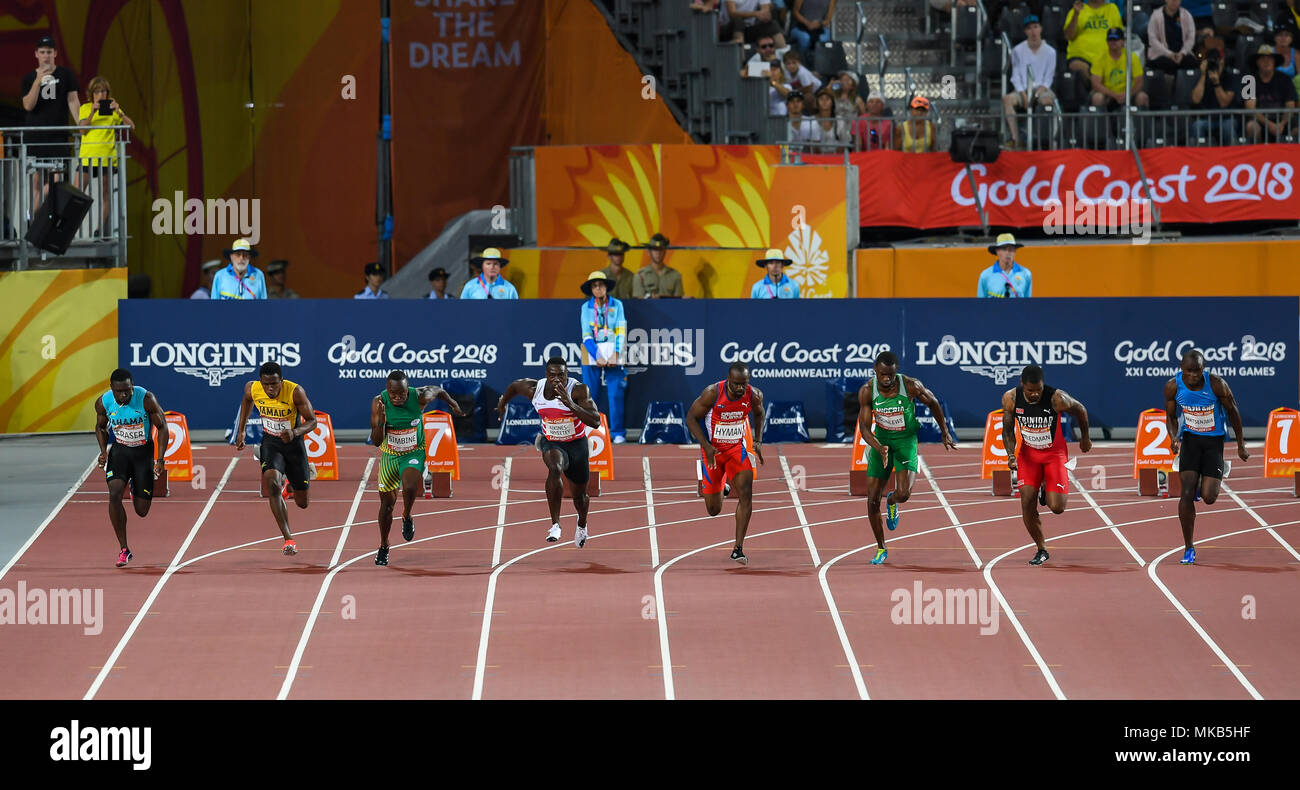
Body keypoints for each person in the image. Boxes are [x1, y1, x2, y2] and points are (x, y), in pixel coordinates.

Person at [856, 351, 957, 565]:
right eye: (883, 374)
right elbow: (864, 429)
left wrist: (944, 431)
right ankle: (881, 547)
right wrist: (879, 447)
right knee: (872, 500)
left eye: (891, 375)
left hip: (905, 441)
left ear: (896, 372)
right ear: (875, 369)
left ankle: (892, 500)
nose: (887, 379)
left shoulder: (911, 385)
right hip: (881, 442)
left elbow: (934, 403)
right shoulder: (867, 391)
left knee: (904, 494)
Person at [496, 358, 602, 547]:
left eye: (561, 375)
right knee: (555, 468)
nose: (557, 379)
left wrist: (571, 404)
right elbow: (514, 386)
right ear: (546, 375)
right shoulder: (534, 389)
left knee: (580, 497)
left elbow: (595, 421)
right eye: (552, 375)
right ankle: (555, 524)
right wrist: (503, 403)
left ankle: (582, 524)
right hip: (551, 442)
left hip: (577, 445)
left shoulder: (578, 390)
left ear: (567, 373)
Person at [1163, 350, 1249, 565]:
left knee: (1209, 497)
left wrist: (1240, 445)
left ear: (1204, 369)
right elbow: (1171, 417)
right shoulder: (1173, 386)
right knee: (1186, 492)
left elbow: (1233, 412)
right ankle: (1189, 547)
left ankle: (1208, 477)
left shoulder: (1217, 384)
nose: (1194, 376)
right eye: (1189, 371)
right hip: (1191, 441)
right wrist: (1173, 437)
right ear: (1181, 369)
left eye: (1198, 371)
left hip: (1213, 443)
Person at [1002, 365, 1092, 566]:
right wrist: (1010, 455)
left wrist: (1085, 438)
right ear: (1021, 385)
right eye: (1030, 391)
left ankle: (1045, 485)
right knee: (1026, 502)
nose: (1034, 394)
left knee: (1057, 507)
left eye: (1038, 390)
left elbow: (1081, 411)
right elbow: (1007, 430)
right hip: (1028, 455)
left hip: (1054, 454)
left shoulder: (1056, 398)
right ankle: (1041, 548)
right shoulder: (1010, 398)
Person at [369, 372, 463, 566]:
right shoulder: (379, 402)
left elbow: (438, 390)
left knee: (410, 485)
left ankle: (406, 515)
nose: (397, 397)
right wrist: (382, 421)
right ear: (387, 390)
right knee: (386, 506)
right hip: (390, 455)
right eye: (393, 393)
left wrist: (452, 403)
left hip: (414, 452)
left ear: (408, 390)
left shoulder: (420, 396)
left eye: (402, 394)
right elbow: (377, 441)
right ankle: (384, 545)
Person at [685, 362, 767, 565]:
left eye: (744, 384)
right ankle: (722, 487)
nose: (740, 388)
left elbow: (759, 414)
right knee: (713, 510)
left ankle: (738, 548)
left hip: (735, 450)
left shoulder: (753, 394)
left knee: (747, 493)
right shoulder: (712, 393)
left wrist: (757, 440)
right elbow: (691, 418)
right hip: (713, 452)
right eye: (736, 384)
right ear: (728, 380)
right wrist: (706, 446)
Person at [234, 362, 318, 556]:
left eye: (274, 384)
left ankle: (290, 486)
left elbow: (313, 421)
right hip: (271, 443)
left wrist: (295, 431)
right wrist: (241, 431)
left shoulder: (295, 391)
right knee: (271, 483)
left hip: (294, 445)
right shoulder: (252, 388)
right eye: (266, 384)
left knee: (303, 503)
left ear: (281, 380)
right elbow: (246, 401)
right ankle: (288, 539)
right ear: (261, 382)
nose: (270, 388)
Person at [94, 368, 167, 568]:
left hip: (143, 454)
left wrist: (160, 459)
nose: (124, 395)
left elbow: (162, 427)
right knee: (114, 493)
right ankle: (124, 549)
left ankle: (136, 487)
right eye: (120, 391)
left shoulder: (146, 399)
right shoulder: (104, 402)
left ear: (132, 386)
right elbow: (100, 427)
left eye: (128, 390)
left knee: (142, 511)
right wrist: (103, 451)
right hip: (120, 452)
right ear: (112, 389)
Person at [20, 35, 80, 213]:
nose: (45, 56)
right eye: (42, 52)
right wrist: (38, 80)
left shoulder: (66, 74)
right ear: (36, 54)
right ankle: (33, 224)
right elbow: (28, 105)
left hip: (57, 136)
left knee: (57, 181)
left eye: (49, 52)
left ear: (55, 53)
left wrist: (81, 125)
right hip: (35, 137)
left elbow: (73, 101)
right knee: (37, 182)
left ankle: (49, 221)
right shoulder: (29, 78)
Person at [74, 76, 133, 229]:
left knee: (105, 194)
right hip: (88, 158)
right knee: (75, 195)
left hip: (107, 158)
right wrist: (92, 113)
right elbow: (82, 130)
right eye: (97, 91)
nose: (101, 95)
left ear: (108, 93)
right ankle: (71, 228)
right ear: (92, 93)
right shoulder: (85, 108)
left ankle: (99, 231)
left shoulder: (114, 111)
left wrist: (119, 113)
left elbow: (131, 126)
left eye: (103, 91)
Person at [579, 271, 629, 444]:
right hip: (592, 352)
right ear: (591, 289)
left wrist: (616, 352)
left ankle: (617, 432)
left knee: (615, 394)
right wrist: (597, 355)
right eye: (594, 285)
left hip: (614, 351)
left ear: (606, 287)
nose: (598, 288)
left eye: (601, 284)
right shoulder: (586, 308)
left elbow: (621, 331)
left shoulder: (617, 305)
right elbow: (586, 335)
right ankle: (592, 431)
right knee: (589, 394)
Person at [1002, 15, 1057, 150]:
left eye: (1035, 27)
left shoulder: (1050, 52)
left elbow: (1048, 79)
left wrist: (1036, 95)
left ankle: (1045, 140)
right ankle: (1015, 139)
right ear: (1025, 32)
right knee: (1007, 99)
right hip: (1023, 89)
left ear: (1040, 29)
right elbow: (1016, 76)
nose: (1033, 31)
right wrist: (1024, 95)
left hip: (1041, 89)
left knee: (1047, 101)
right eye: (1029, 29)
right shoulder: (1017, 50)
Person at [1245, 45, 1298, 143]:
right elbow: (1250, 109)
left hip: (1282, 120)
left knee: (1297, 129)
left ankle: (1292, 156)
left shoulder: (1286, 79)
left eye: (1269, 58)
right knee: (1251, 127)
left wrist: (1281, 124)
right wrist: (1269, 125)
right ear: (1257, 62)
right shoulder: (1248, 80)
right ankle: (1257, 156)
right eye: (1262, 59)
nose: (1266, 61)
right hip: (1260, 120)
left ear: (1274, 62)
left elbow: (1290, 106)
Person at [1090, 28, 1148, 110]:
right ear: (1107, 41)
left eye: (1116, 39)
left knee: (1142, 97)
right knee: (1097, 97)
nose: (1113, 42)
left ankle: (1141, 123)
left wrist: (1127, 94)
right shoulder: (1099, 58)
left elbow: (1139, 81)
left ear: (1123, 41)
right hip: (1107, 95)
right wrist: (1114, 95)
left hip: (1128, 94)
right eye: (1110, 39)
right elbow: (1095, 84)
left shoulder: (1132, 57)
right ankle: (1100, 123)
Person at [1190, 46, 1239, 144]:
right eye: (1213, 59)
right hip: (1206, 119)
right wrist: (1203, 75)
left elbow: (1224, 103)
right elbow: (1195, 99)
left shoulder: (1230, 77)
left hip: (1226, 118)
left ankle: (1233, 157)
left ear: (1223, 61)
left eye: (1218, 59)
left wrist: (1216, 83)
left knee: (1228, 127)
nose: (1216, 62)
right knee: (1197, 125)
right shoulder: (1202, 77)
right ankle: (1199, 158)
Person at [1064, 0, 1122, 82]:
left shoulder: (1112, 9)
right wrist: (1076, 15)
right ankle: (1099, 86)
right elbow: (1068, 36)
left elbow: (1119, 36)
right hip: (1082, 58)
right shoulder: (1076, 10)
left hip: (1106, 59)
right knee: (1077, 65)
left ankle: (1099, 88)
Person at [1147, 0, 1195, 74]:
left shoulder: (1186, 15)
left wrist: (1182, 53)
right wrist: (1169, 54)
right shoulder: (1156, 15)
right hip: (1161, 54)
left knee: (1192, 62)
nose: (1174, 1)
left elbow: (1191, 38)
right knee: (1167, 64)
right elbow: (1153, 40)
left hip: (1181, 53)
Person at [977, 233, 1033, 298]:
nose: (1007, 253)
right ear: (997, 251)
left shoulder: (1026, 274)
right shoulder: (985, 276)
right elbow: (980, 305)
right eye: (1004, 249)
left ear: (1015, 251)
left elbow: (1028, 303)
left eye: (1011, 249)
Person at [633, 233, 685, 298]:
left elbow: (679, 302)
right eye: (655, 249)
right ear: (649, 252)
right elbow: (637, 303)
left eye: (661, 249)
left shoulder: (675, 275)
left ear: (665, 251)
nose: (658, 253)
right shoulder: (640, 276)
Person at [723, 0, 787, 48]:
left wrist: (765, 16)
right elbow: (732, 14)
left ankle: (784, 58)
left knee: (772, 25)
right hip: (728, 29)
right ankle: (741, 62)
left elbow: (765, 11)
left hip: (748, 29)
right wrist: (756, 14)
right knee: (738, 22)